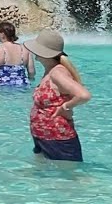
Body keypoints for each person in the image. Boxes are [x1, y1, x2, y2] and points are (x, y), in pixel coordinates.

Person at [23, 30, 91, 162]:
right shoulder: (50, 71)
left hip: (58, 140)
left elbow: (84, 95)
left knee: (69, 180)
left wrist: (65, 106)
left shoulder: (57, 73)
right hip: (44, 137)